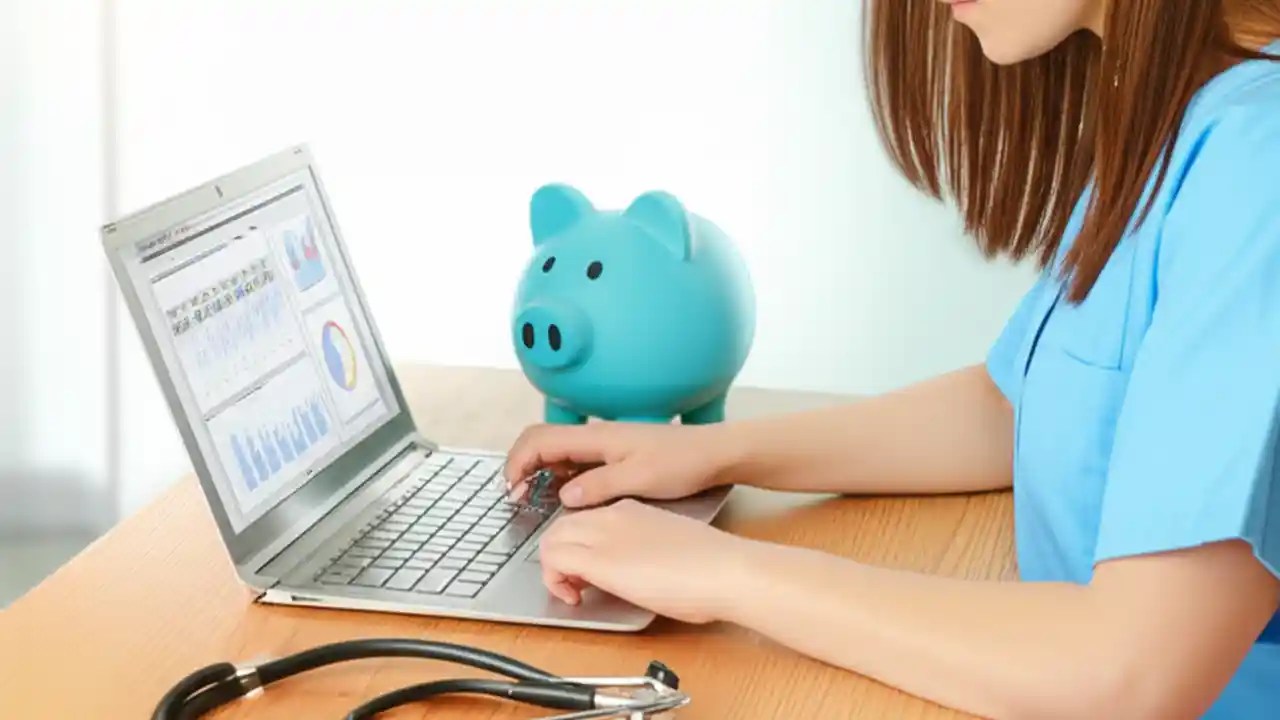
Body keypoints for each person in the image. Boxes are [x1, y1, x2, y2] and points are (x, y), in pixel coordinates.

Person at [503, 1, 1280, 717]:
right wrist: (713, 452)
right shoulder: (1187, 112)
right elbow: (1015, 406)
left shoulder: (1256, 157)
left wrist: (724, 574)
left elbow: (1133, 671)